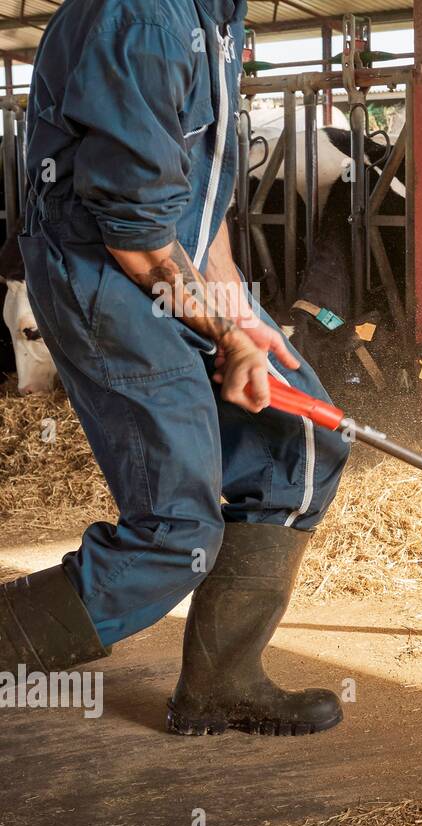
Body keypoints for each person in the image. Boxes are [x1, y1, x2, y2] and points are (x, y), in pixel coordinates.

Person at [0, 0, 351, 736]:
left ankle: (221, 685)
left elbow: (198, 200)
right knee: (176, 532)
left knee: (301, 442)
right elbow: (135, 236)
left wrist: (241, 313)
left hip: (167, 272)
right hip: (109, 283)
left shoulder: (217, 16)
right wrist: (225, 334)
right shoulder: (142, 18)